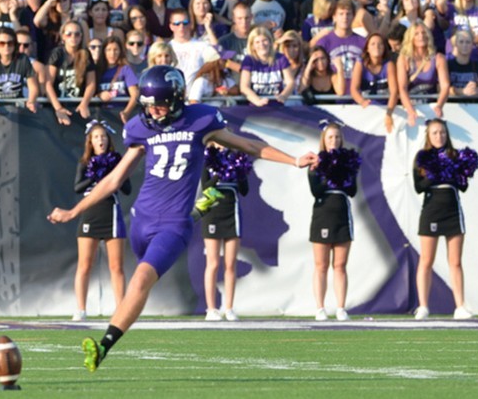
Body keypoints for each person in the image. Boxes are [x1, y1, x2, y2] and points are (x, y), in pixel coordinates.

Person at [48, 65, 318, 372]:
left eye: (159, 104)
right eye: (149, 105)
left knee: (140, 280)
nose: (153, 111)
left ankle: (104, 346)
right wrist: (74, 210)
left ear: (177, 99)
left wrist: (294, 159)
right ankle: (198, 210)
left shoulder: (201, 121)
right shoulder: (141, 128)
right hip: (142, 219)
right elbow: (112, 180)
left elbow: (251, 146)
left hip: (172, 226)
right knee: (139, 279)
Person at [413, 118, 478, 320]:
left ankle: (459, 306)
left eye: (442, 132)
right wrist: (434, 173)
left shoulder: (455, 155)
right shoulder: (422, 157)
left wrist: (459, 170)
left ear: (446, 135)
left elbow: (463, 186)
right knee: (426, 260)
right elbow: (419, 187)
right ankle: (423, 306)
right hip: (431, 210)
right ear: (428, 136)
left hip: (452, 210)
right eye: (434, 133)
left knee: (455, 261)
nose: (439, 136)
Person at [71, 120, 130, 322]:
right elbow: (77, 188)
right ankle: (80, 309)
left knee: (116, 266)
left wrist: (116, 173)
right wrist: (94, 175)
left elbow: (127, 189)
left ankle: (121, 310)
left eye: (103, 136)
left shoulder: (117, 161)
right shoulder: (85, 163)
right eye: (96, 137)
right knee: (84, 265)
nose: (101, 140)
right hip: (90, 213)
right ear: (90, 141)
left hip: (111, 212)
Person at [308, 122, 360, 322]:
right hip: (322, 214)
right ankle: (320, 308)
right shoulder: (316, 161)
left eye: (337, 137)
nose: (334, 141)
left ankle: (340, 308)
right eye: (330, 137)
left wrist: (344, 172)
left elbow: (352, 191)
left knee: (340, 265)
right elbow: (316, 191)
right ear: (324, 140)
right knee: (321, 265)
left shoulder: (348, 160)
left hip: (342, 214)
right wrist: (324, 170)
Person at [199, 141, 251, 322]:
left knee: (230, 264)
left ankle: (229, 308)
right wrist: (220, 172)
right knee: (212, 263)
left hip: (232, 213)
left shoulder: (235, 159)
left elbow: (244, 191)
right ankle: (211, 309)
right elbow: (206, 187)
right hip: (212, 212)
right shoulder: (207, 160)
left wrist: (240, 171)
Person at [396, 21, 449, 124]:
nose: (421, 36)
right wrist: (410, 111)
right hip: (411, 106)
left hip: (432, 106)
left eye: (424, 33)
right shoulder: (403, 59)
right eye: (416, 34)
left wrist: (439, 105)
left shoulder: (438, 58)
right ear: (411, 38)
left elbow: (445, 85)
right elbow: (402, 88)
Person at [349, 32, 399, 133]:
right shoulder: (360, 64)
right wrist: (362, 102)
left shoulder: (389, 65)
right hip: (365, 110)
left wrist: (389, 113)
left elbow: (394, 92)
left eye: (380, 44)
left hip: (384, 108)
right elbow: (353, 89)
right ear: (367, 48)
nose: (377, 46)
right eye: (373, 44)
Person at [239, 27, 295, 107]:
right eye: (257, 42)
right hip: (255, 107)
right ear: (252, 45)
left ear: (270, 42)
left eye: (264, 40)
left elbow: (291, 82)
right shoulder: (249, 60)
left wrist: (283, 96)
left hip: (278, 106)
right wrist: (257, 101)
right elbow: (244, 87)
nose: (261, 45)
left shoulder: (281, 58)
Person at [96, 36, 139, 122]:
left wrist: (126, 112)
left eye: (116, 50)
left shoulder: (125, 69)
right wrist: (100, 95)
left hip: (121, 113)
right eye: (108, 50)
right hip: (102, 115)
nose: (112, 53)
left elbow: (135, 94)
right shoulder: (97, 70)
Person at [446, 30, 478, 97]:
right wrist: (462, 91)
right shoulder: (448, 65)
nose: (464, 45)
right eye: (461, 42)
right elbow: (440, 88)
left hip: (473, 104)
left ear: (472, 45)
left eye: (468, 42)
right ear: (456, 44)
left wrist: (475, 90)